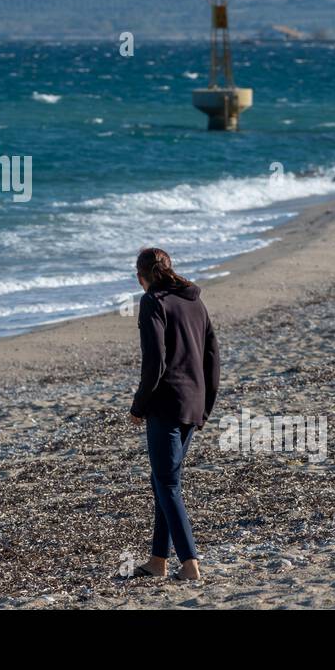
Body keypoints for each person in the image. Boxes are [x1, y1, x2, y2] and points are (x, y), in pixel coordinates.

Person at [128, 247, 220, 581]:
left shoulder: (153, 302)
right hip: (193, 403)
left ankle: (190, 563)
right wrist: (206, 405)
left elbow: (154, 362)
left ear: (142, 277)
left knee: (166, 483)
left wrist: (139, 406)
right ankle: (157, 560)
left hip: (166, 406)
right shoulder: (194, 301)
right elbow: (213, 357)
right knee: (164, 482)